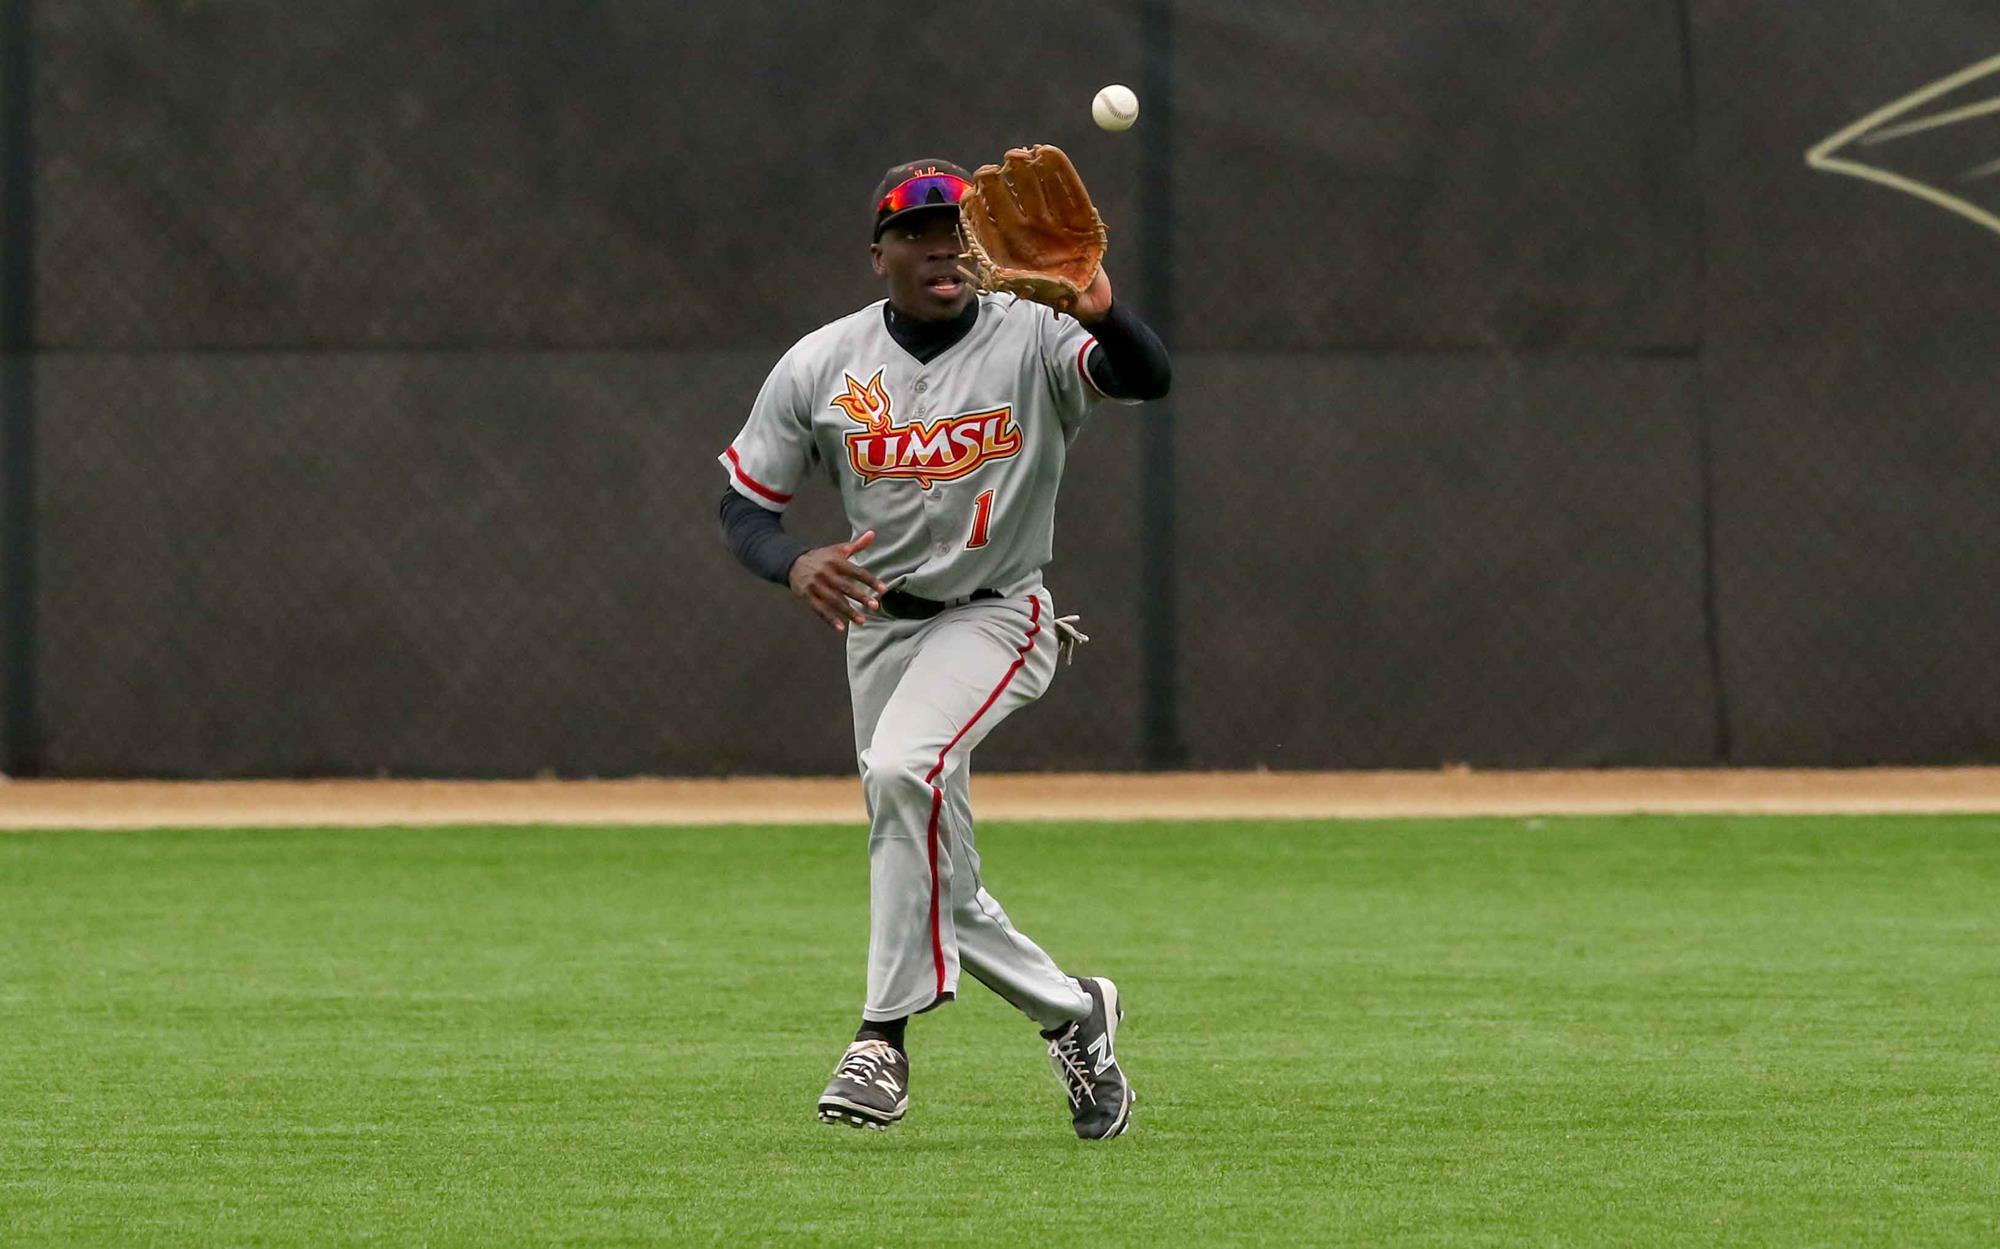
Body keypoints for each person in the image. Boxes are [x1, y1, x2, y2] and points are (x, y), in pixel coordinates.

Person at [715, 158, 1170, 1139]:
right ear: (877, 253)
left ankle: (882, 1036)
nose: (940, 247)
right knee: (933, 867)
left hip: (997, 614)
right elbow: (745, 506)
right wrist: (793, 564)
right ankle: (1071, 1012)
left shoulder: (1039, 337)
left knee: (897, 766)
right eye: (916, 232)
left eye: (958, 229)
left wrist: (1096, 304)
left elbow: (1146, 378)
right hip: (876, 625)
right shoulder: (821, 362)